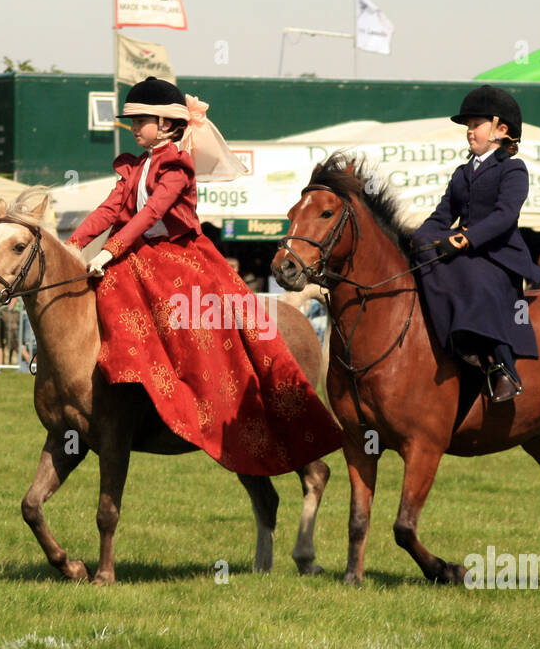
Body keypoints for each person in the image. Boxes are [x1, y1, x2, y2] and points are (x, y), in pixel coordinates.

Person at [63, 76, 342, 475]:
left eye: (140, 120)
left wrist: (109, 250)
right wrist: (73, 247)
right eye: (132, 121)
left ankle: (201, 393)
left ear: (166, 125)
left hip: (181, 258)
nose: (133, 127)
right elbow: (110, 210)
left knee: (193, 320)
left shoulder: (176, 165)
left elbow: (150, 215)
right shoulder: (135, 166)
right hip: (138, 255)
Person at [410, 85, 540, 402]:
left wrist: (465, 238)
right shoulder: (461, 173)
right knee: (424, 263)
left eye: (476, 125)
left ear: (501, 130)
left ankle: (504, 369)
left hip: (499, 255)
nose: (470, 132)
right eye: (468, 126)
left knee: (474, 279)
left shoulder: (513, 168)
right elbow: (442, 215)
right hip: (464, 249)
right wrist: (420, 238)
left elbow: (504, 216)